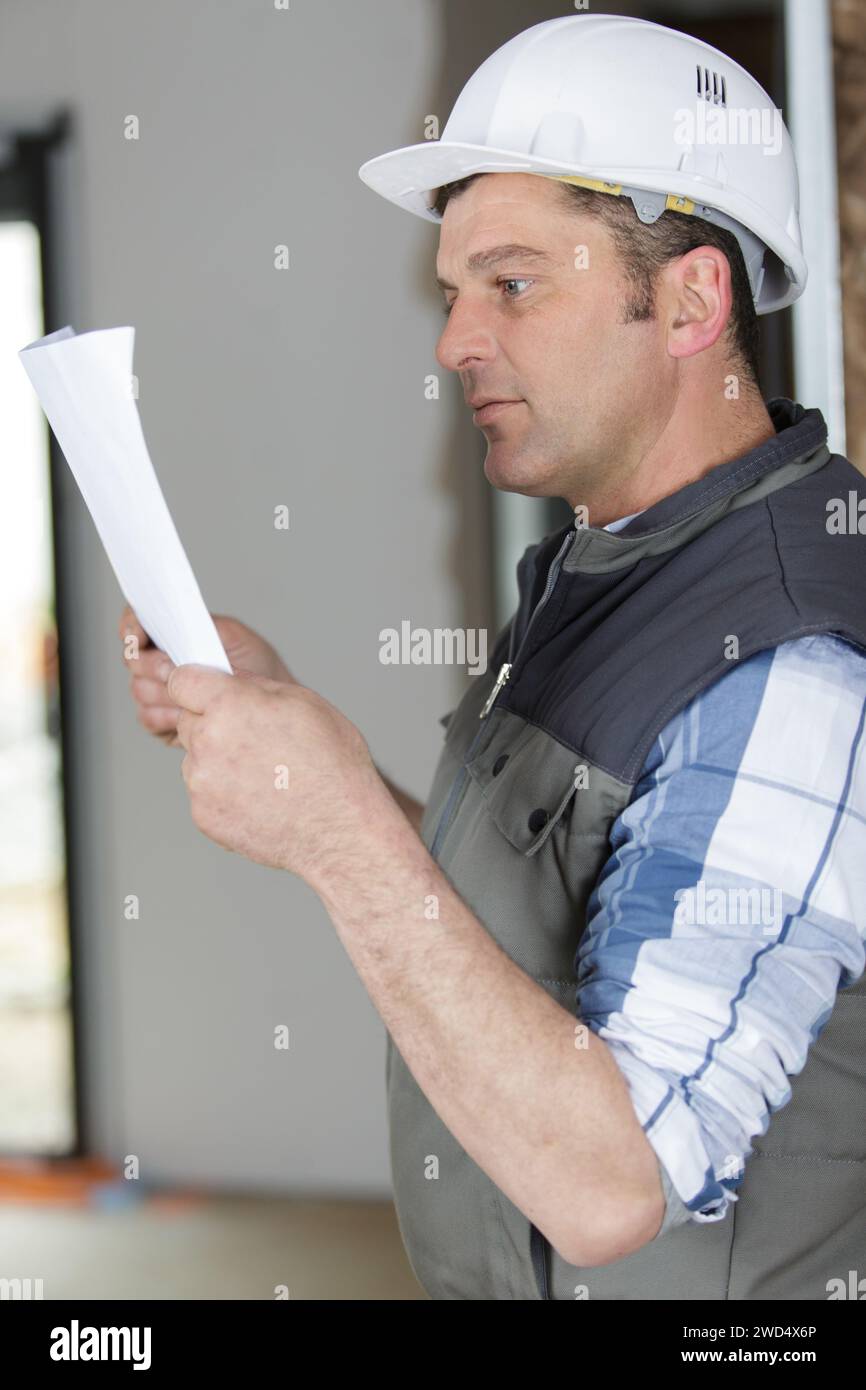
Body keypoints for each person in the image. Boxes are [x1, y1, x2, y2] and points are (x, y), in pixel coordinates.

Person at [120, 14, 866, 1300]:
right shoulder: (611, 562)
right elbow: (541, 904)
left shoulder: (791, 660)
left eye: (512, 284)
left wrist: (339, 829)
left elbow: (620, 1178)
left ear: (688, 299)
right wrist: (300, 739)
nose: (451, 342)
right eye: (453, 290)